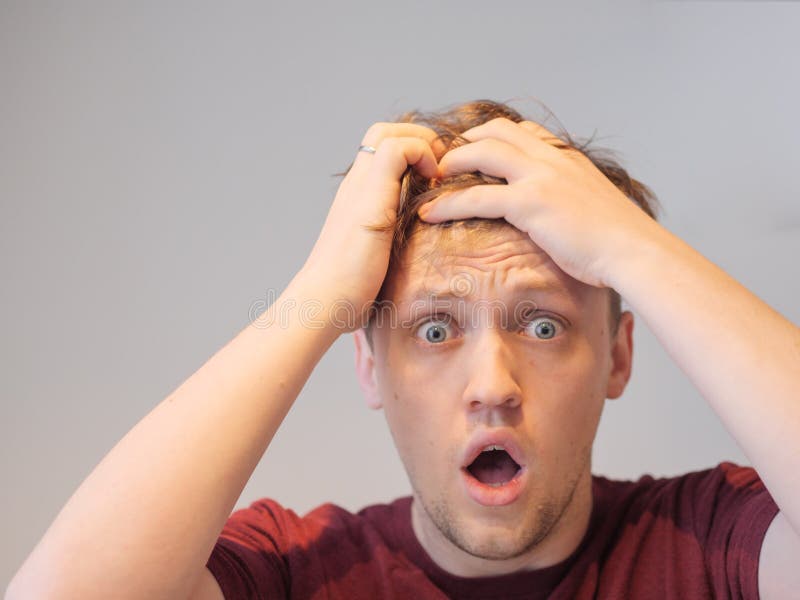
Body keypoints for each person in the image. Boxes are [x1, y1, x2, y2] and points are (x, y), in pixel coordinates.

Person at [6, 100, 800, 600]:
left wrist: (639, 254)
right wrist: (315, 299)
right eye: (433, 330)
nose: (493, 385)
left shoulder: (714, 542)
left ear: (619, 355)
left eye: (545, 325)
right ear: (367, 366)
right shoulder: (296, 570)